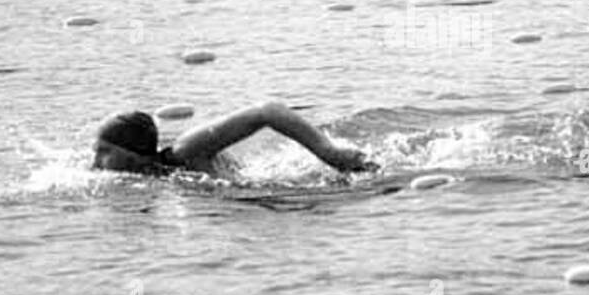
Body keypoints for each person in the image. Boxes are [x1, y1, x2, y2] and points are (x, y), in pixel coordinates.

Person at [92, 102, 377, 177]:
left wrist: (329, 152)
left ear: (132, 152)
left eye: (104, 152)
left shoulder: (186, 152)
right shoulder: (152, 174)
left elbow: (267, 111)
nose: (95, 163)